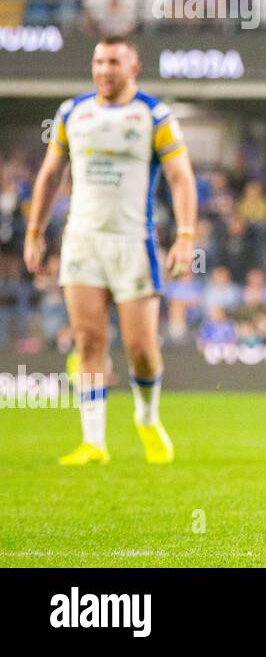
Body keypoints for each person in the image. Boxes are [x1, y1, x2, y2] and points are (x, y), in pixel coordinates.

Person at [24, 36, 198, 465]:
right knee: (89, 340)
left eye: (114, 62)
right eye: (99, 61)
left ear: (133, 68)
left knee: (140, 346)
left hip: (133, 243)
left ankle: (147, 417)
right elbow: (50, 175)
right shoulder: (73, 112)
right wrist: (34, 230)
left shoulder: (154, 115)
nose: (104, 70)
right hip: (82, 241)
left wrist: (187, 235)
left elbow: (180, 177)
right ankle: (94, 441)